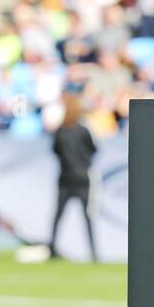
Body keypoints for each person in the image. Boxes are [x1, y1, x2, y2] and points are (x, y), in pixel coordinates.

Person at [49, 94, 98, 262]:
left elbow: (55, 151)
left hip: (65, 177)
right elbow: (93, 150)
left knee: (58, 216)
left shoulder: (61, 131)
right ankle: (93, 252)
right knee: (88, 216)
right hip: (83, 178)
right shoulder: (83, 130)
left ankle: (52, 249)